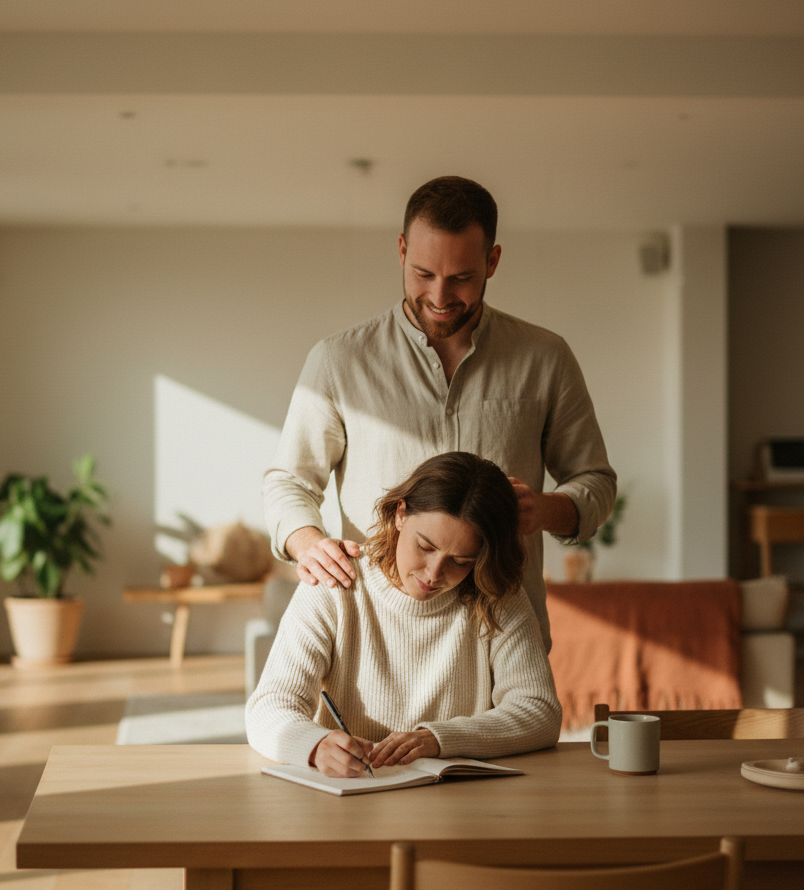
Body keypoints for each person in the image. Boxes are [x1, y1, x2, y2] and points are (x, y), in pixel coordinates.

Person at [247, 452, 561, 890]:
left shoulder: (496, 594)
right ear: (397, 514)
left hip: (466, 838)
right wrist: (314, 745)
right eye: (425, 546)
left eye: (461, 560)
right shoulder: (337, 581)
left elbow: (539, 709)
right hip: (352, 844)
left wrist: (438, 737)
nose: (436, 573)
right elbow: (269, 706)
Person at [262, 175, 616, 650]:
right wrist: (308, 543)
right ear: (403, 250)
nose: (440, 296)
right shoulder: (337, 361)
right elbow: (289, 481)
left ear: (492, 261)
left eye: (461, 278)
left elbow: (596, 481)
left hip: (504, 645)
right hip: (375, 646)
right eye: (424, 274)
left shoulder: (545, 358)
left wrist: (543, 509)